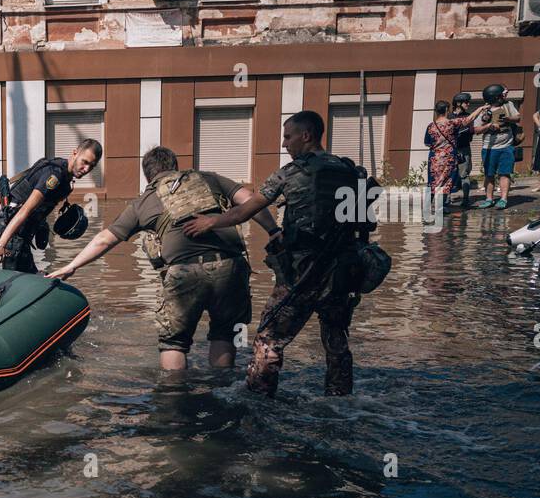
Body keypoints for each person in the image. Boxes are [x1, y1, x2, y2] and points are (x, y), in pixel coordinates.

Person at [184, 110, 369, 397]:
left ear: (305, 136)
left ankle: (259, 401)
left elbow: (246, 210)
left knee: (268, 340)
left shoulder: (292, 173)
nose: (284, 144)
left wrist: (210, 221)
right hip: (343, 273)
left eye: (288, 136)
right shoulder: (348, 170)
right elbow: (362, 225)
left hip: (302, 275)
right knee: (336, 342)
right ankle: (340, 401)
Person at [47, 146, 280, 370]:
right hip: (231, 267)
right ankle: (222, 390)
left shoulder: (144, 201)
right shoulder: (209, 178)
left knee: (173, 342)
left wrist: (71, 266)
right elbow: (250, 200)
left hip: (185, 272)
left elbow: (104, 240)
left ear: (148, 175)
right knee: (224, 333)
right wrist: (273, 232)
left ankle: (173, 400)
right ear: (176, 167)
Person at [0, 140, 102, 273]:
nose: (86, 169)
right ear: (75, 153)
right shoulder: (54, 176)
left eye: (92, 166)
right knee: (17, 279)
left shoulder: (65, 176)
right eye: (84, 162)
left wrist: (42, 225)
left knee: (30, 274)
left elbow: (40, 207)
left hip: (21, 232)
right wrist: (0, 245)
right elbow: (25, 210)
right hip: (10, 229)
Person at [426, 100, 487, 198]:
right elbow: (469, 119)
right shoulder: (452, 123)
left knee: (433, 182)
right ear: (446, 110)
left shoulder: (431, 126)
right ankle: (442, 207)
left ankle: (427, 206)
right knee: (446, 182)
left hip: (435, 159)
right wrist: (480, 108)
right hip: (449, 158)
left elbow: (427, 143)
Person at [475, 85, 520, 209]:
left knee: (505, 173)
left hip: (506, 146)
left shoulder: (508, 105)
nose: (503, 96)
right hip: (489, 148)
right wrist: (489, 125)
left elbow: (518, 117)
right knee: (489, 174)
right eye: (501, 95)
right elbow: (476, 129)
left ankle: (503, 199)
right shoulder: (485, 110)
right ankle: (489, 199)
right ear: (495, 97)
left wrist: (508, 119)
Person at [449, 93, 478, 206]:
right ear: (458, 103)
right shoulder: (450, 116)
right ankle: (447, 199)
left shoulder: (468, 116)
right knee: (450, 174)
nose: (468, 104)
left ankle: (466, 199)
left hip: (464, 148)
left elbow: (470, 131)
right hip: (451, 149)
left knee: (464, 174)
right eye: (466, 102)